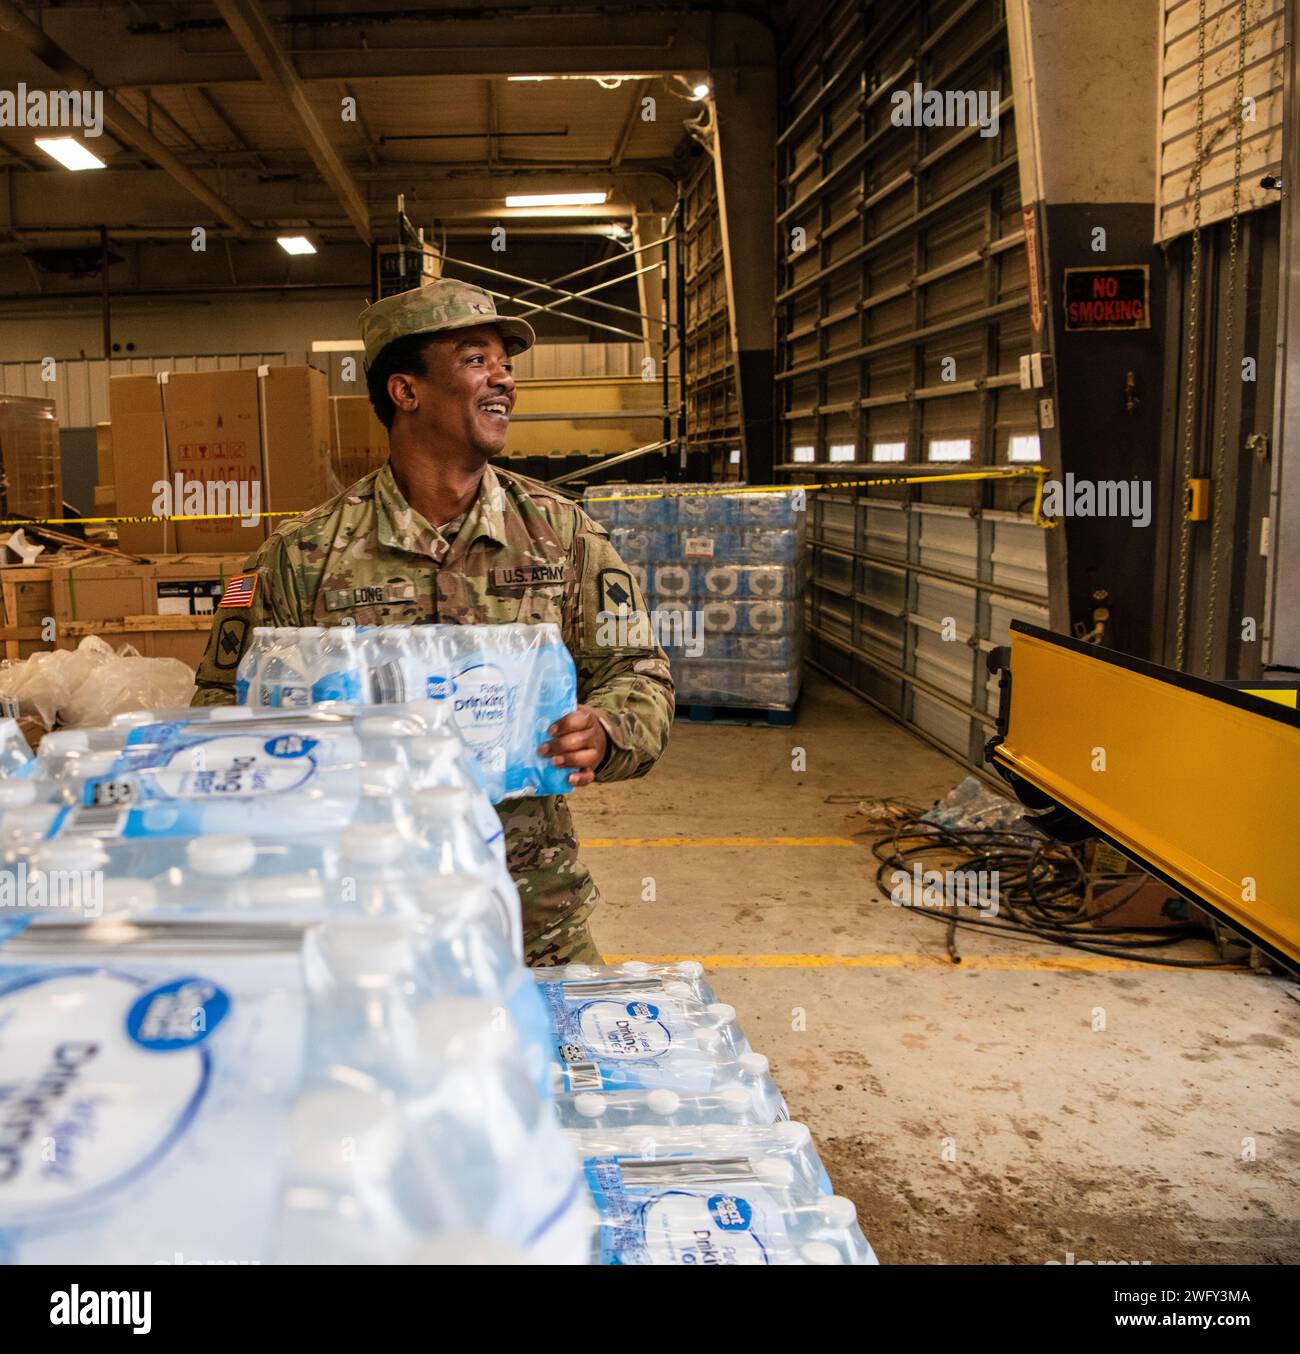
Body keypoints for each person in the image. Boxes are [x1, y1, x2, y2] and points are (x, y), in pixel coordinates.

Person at [192, 278, 674, 965]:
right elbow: (214, 707)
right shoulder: (296, 559)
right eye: (477, 360)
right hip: (365, 921)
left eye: (507, 363)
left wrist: (605, 729)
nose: (504, 378)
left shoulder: (562, 537)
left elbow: (641, 674)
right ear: (406, 390)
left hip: (532, 916)